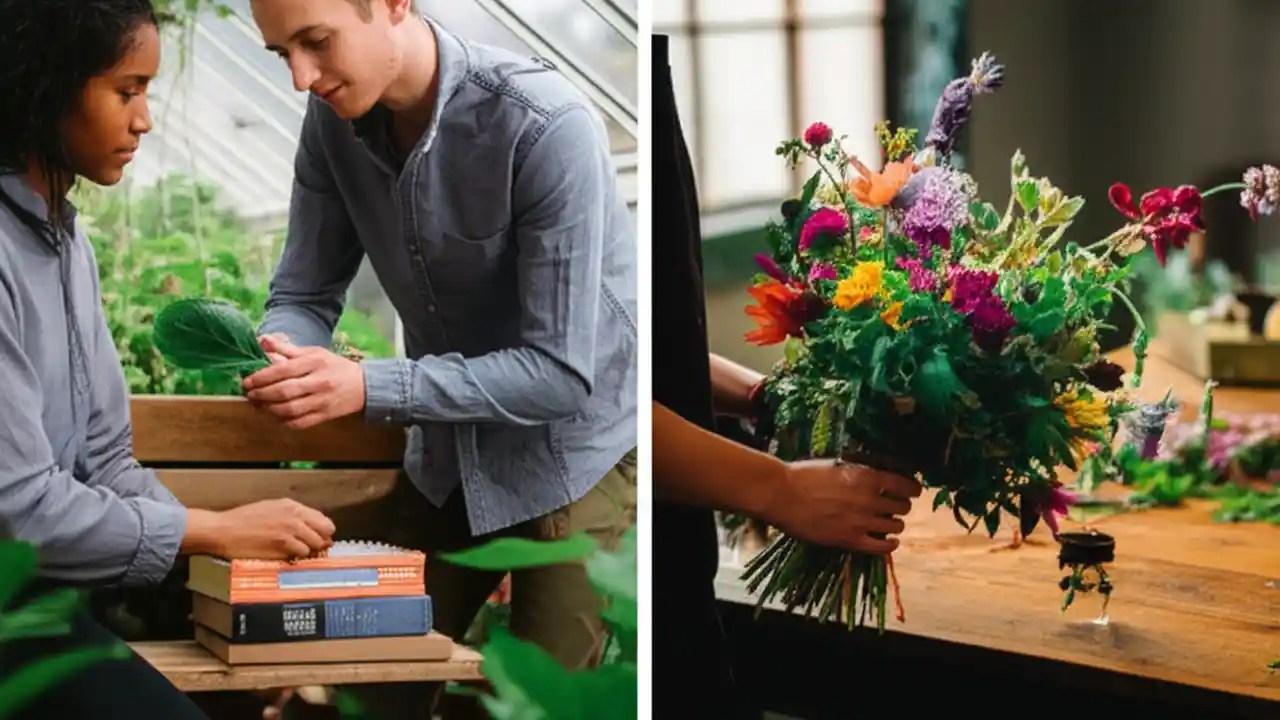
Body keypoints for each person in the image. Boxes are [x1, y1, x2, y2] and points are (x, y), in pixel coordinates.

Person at [238, 0, 637, 715]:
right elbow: (303, 288)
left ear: (394, 4)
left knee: (538, 703)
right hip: (447, 454)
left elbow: (560, 374)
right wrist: (287, 350)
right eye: (281, 54)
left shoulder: (544, 126)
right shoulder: (332, 122)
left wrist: (367, 385)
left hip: (568, 460)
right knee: (363, 692)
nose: (301, 76)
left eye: (317, 42)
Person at [0, 2, 338, 718]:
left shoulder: (66, 243)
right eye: (127, 90)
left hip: (57, 594)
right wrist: (215, 530)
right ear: (50, 84)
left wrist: (234, 584)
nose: (145, 120)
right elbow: (20, 511)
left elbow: (107, 460)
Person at [652, 34, 921, 718]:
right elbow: (589, 397)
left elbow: (639, 356)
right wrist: (777, 488)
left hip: (683, 571)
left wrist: (759, 397)